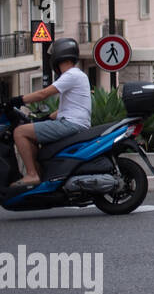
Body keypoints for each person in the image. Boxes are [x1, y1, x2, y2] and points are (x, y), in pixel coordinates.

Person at [7, 38, 92, 186]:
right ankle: (40, 174)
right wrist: (45, 118)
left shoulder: (71, 75)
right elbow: (65, 109)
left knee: (20, 132)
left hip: (71, 124)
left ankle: (32, 174)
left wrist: (17, 100)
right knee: (30, 135)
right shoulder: (78, 75)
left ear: (57, 56)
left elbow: (43, 94)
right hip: (74, 122)